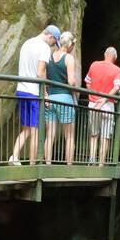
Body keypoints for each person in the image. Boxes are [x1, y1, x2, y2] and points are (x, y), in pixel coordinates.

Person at [10, 24, 61, 166]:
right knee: (35, 130)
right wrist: (45, 92)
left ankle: (14, 157)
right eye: (53, 42)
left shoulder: (27, 43)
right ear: (50, 36)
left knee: (26, 129)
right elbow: (40, 73)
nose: (52, 45)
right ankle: (32, 165)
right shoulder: (44, 48)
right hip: (33, 92)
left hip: (21, 89)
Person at [85, 46, 120, 167]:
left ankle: (91, 160)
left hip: (93, 104)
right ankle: (101, 164)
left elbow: (87, 82)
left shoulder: (94, 64)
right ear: (115, 57)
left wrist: (93, 96)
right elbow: (117, 87)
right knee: (105, 136)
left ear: (105, 54)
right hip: (107, 105)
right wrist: (105, 98)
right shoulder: (117, 69)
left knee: (93, 134)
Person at [45, 31, 78, 166]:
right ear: (70, 45)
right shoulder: (69, 58)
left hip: (51, 97)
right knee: (69, 136)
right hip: (65, 98)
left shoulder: (50, 56)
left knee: (49, 136)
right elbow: (71, 82)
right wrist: (75, 89)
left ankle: (46, 164)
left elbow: (46, 78)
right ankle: (68, 166)